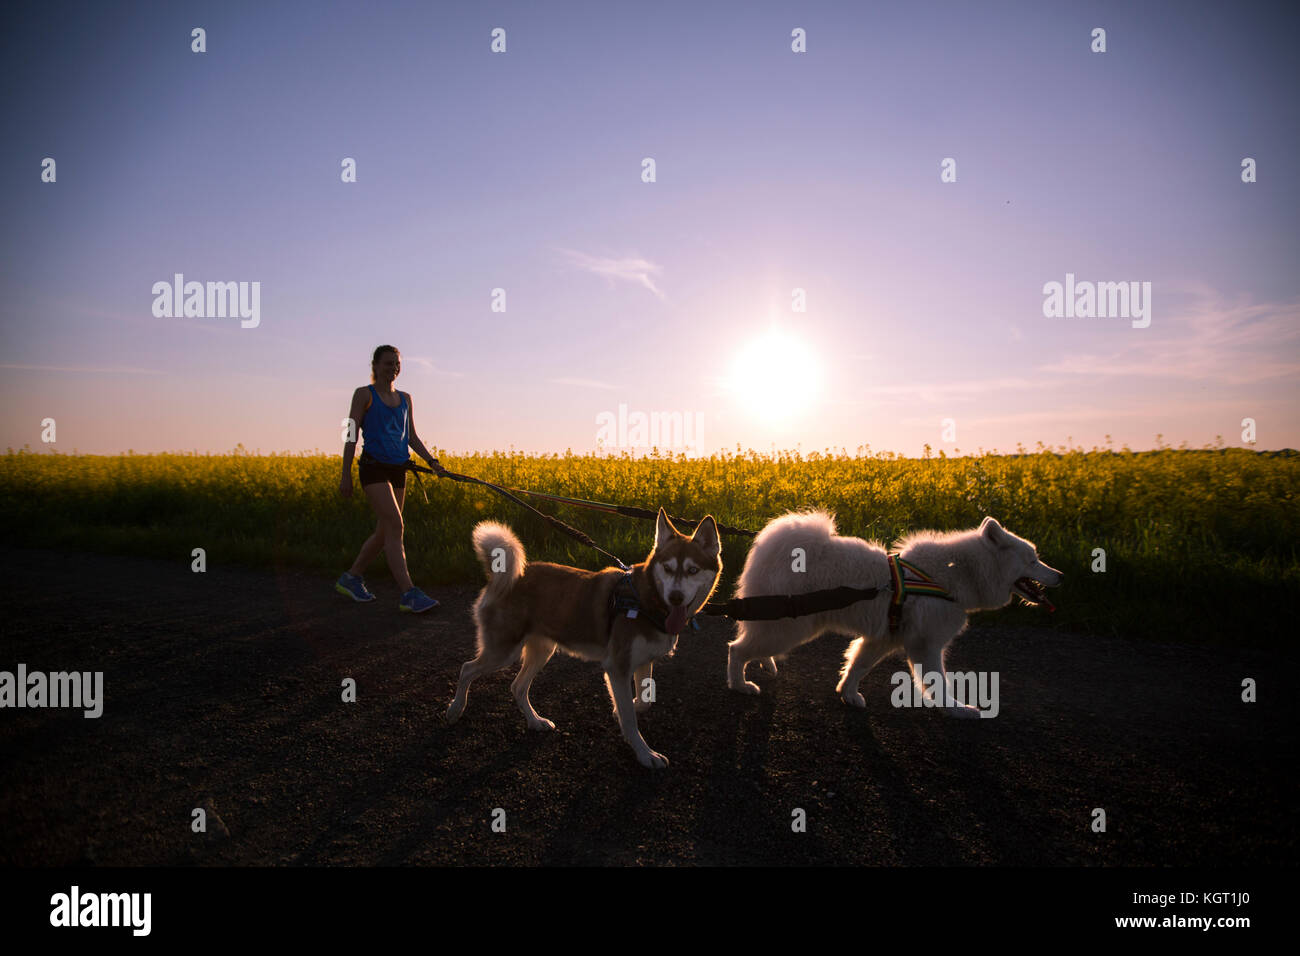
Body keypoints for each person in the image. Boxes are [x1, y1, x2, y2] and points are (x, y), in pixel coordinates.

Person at [336, 344, 445, 612]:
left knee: (385, 530)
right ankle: (408, 593)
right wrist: (345, 474)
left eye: (397, 364)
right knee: (396, 525)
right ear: (375, 365)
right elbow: (351, 434)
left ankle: (351, 577)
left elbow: (411, 437)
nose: (393, 368)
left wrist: (432, 461)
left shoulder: (406, 398)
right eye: (388, 363)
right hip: (373, 468)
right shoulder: (364, 395)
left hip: (399, 469)